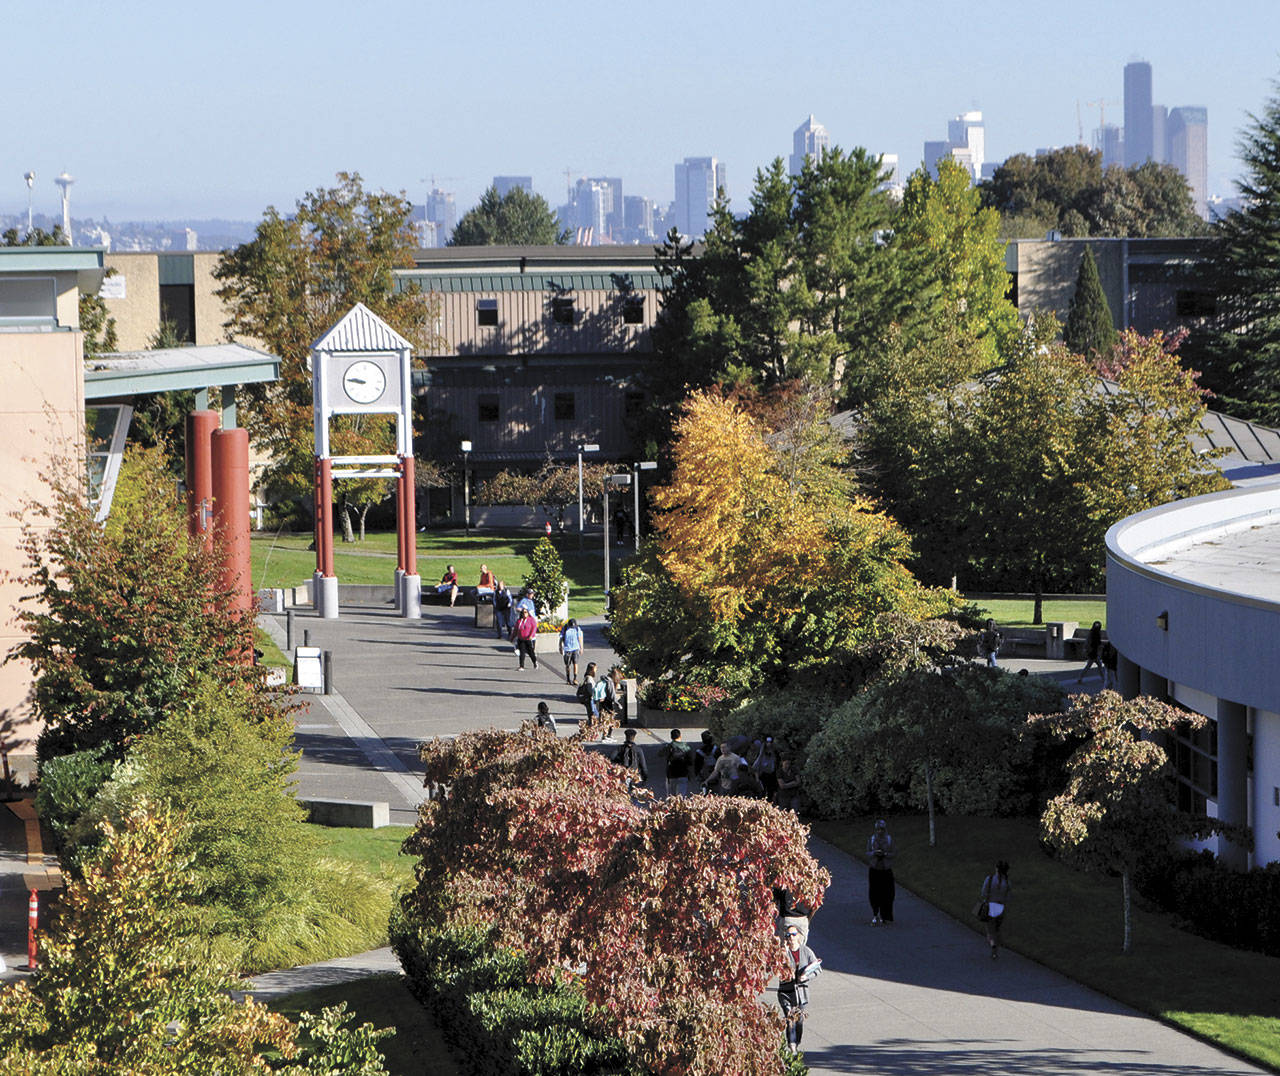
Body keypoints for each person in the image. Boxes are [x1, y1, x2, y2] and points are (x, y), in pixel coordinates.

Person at [777, 926, 821, 1056]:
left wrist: (806, 977)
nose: (791, 938)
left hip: (801, 993)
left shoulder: (806, 951)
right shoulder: (783, 953)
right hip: (786, 992)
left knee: (799, 1021)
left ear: (798, 936)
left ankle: (796, 1042)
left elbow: (818, 969)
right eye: (788, 936)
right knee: (790, 1018)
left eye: (793, 934)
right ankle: (792, 1047)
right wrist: (784, 953)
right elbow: (776, 968)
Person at [978, 859, 1011, 959]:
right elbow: (1008, 898)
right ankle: (996, 950)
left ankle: (993, 946)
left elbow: (983, 892)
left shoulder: (990, 879)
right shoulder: (1007, 882)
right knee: (997, 929)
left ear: (996, 868)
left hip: (990, 907)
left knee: (990, 931)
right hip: (1000, 908)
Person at [867, 819, 896, 925]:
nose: (880, 832)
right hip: (874, 869)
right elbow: (868, 852)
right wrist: (874, 853)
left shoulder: (889, 840)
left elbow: (894, 853)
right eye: (878, 829)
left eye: (882, 829)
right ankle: (875, 913)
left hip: (886, 870)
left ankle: (885, 915)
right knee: (874, 893)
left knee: (888, 893)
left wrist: (885, 854)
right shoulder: (872, 839)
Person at [659, 728, 693, 797]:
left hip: (671, 775)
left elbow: (660, 754)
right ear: (680, 736)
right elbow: (690, 762)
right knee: (681, 797)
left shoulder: (669, 746)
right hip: (683, 774)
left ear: (671, 737)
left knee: (671, 797)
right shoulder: (686, 746)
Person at [753, 735, 780, 801]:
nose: (769, 744)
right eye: (767, 742)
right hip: (763, 774)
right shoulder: (761, 752)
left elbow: (777, 764)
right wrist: (757, 778)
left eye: (770, 742)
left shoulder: (775, 752)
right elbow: (756, 765)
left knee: (771, 792)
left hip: (772, 775)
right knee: (762, 792)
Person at [559, 618, 584, 685]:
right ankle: (568, 679)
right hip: (567, 649)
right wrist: (560, 647)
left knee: (575, 663)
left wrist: (581, 647)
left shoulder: (577, 628)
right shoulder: (565, 628)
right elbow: (561, 638)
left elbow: (580, 638)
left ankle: (575, 679)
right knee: (567, 665)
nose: (572, 627)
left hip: (575, 648)